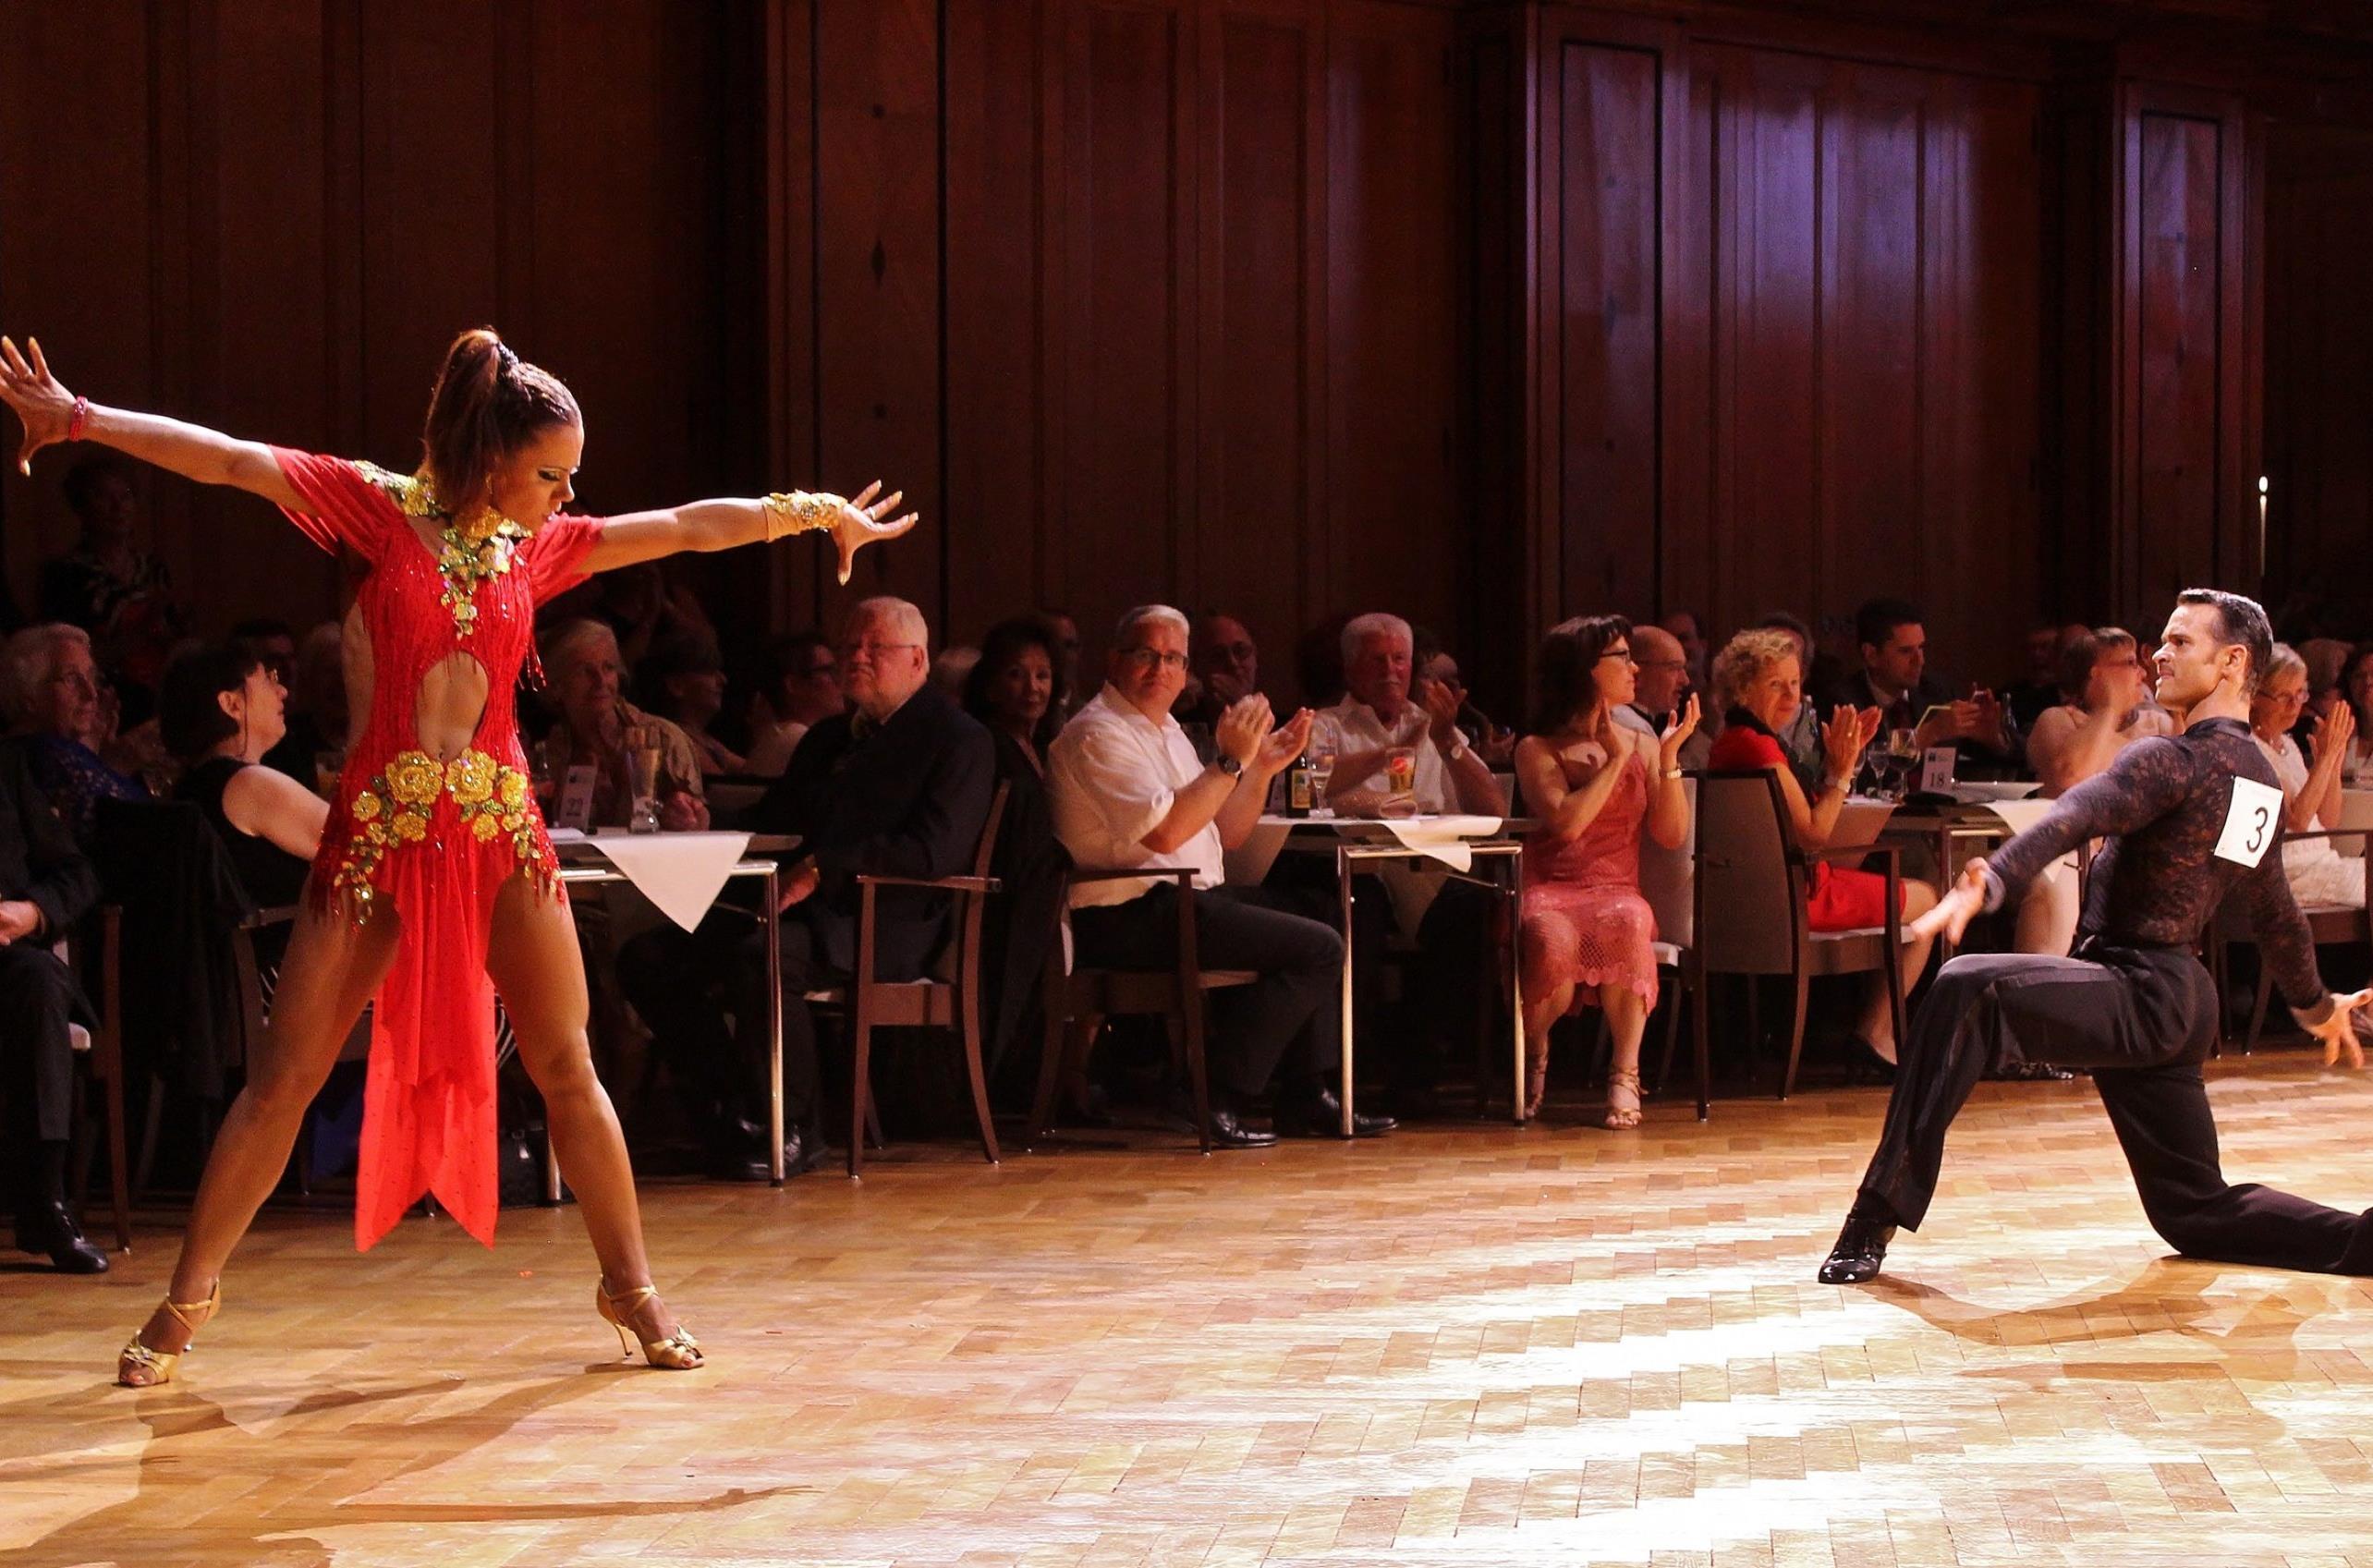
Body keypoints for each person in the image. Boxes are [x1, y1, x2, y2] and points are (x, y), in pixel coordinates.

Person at [0, 325, 915, 1382]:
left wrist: (811, 510)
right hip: (379, 841)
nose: (566, 496)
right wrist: (79, 417)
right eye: (550, 474)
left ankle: (631, 1285)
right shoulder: (376, 507)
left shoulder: (540, 547)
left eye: (570, 478)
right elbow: (230, 460)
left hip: (498, 838)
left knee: (567, 1061)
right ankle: (186, 1296)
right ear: (492, 457)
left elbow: (679, 528)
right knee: (285, 1075)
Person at [1820, 590, 2373, 1287]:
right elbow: (2274, 912)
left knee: (1966, 984)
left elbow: (2075, 815)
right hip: (2178, 1003)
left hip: (2140, 991)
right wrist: (2316, 1004)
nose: (2159, 655)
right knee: (2193, 1209)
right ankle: (2361, 1241)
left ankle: (1873, 1215)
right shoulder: (2255, 775)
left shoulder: (2171, 761)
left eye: (2180, 642)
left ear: (2233, 662)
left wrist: (1991, 877)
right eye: (2161, 640)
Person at [618, 598, 992, 1180]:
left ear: (918, 659)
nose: (856, 658)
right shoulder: (827, 738)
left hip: (884, 917)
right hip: (796, 908)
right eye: (849, 647)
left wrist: (824, 868)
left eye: (874, 648)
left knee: (762, 957)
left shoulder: (957, 739)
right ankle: (731, 1113)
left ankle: (793, 1126)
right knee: (648, 957)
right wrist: (705, 819)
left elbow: (933, 851)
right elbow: (776, 818)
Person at [1049, 605, 1391, 1145]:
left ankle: (1305, 1094)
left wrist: (1260, 767)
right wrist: (1229, 762)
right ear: (1114, 661)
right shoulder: (1098, 733)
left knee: (1327, 913)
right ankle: (1210, 1093)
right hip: (1124, 913)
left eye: (1173, 659)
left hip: (1184, 899)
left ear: (1185, 671)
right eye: (1146, 655)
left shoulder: (1167, 731)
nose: (1160, 669)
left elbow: (1227, 831)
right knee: (1317, 948)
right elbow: (1164, 835)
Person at [1706, 628, 1938, 1072]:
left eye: (1795, 682)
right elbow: (1813, 834)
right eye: (1776, 684)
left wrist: (1838, 763)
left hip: (1764, 892)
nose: (1791, 695)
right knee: (1928, 899)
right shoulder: (1758, 747)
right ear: (1743, 689)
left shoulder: (1731, 741)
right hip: (1798, 897)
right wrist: (1842, 771)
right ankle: (1876, 1034)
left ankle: (1871, 1033)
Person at [1315, 613, 1504, 1110]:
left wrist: (1447, 740)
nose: (1390, 671)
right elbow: (1314, 788)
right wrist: (1385, 764)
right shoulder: (1324, 725)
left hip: (1426, 868)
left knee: (1474, 913)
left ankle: (1417, 1068)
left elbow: (1494, 810)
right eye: (1377, 660)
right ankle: (1342, 1075)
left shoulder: (1433, 727)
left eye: (1399, 659)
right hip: (1353, 870)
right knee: (1358, 916)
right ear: (1350, 668)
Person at [1514, 618, 1698, 1125]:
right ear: (1584, 670)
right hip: (1552, 887)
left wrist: (1668, 758)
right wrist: (1616, 759)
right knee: (1550, 935)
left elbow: (1671, 834)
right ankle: (1534, 1052)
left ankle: (1625, 1072)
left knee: (1628, 920)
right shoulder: (1537, 748)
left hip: (1616, 888)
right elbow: (1566, 824)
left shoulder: (1643, 744)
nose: (1634, 668)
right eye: (1622, 657)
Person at [0, 737, 103, 1273]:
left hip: (6, 957)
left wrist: (32, 913)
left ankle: (45, 1202)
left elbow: (78, 874)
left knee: (40, 981)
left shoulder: (6, 766)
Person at [959, 615, 1074, 1089]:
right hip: (1001, 901)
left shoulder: (1047, 748)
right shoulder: (985, 746)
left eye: (1042, 675)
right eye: (1016, 674)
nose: (1033, 688)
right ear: (990, 686)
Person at [2016, 626, 2174, 957]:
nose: (2141, 673)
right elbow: (2072, 777)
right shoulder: (2058, 720)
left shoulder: (2155, 726)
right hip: (2070, 857)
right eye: (2129, 663)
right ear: (2096, 674)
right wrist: (2108, 708)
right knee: (2053, 884)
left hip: (2136, 857)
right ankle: (2035, 983)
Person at [159, 642, 326, 917]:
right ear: (232, 704)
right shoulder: (249, 784)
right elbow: (363, 842)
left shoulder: (191, 783)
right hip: (278, 941)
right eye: (268, 679)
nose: (282, 691)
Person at [39, 453, 187, 705]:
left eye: (125, 496)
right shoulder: (65, 574)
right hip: (97, 702)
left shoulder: (153, 569)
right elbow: (63, 659)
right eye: (103, 497)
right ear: (81, 506)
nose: (117, 507)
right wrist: (140, 633)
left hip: (162, 700)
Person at [540, 618, 708, 832]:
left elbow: (701, 821)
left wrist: (685, 816)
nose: (601, 681)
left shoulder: (663, 738)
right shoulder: (548, 754)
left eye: (608, 668)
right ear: (556, 687)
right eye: (585, 671)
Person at [1824, 597, 2021, 777]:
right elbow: (1854, 776)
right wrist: (1929, 734)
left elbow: (2017, 759)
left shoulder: (1937, 692)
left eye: (1921, 648)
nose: (1919, 660)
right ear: (1871, 655)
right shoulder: (1843, 702)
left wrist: (1992, 738)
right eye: (1905, 651)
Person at [4, 622, 150, 844]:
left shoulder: (30, 751)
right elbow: (148, 825)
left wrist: (95, 757)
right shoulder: (46, 751)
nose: (91, 693)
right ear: (29, 697)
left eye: (92, 678)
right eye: (71, 679)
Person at [2249, 643, 2364, 910]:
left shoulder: (2288, 746)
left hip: (2322, 861)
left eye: (2300, 693)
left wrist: (2333, 758)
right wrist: (2325, 758)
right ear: (2254, 695)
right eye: (2283, 696)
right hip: (2290, 869)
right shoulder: (2250, 748)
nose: (2294, 705)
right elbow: (2298, 820)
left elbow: (2327, 820)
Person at [262, 620, 352, 789]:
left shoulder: (377, 739)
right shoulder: (283, 742)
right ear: (309, 677)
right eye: (330, 671)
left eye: (347, 670)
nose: (341, 681)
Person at [738, 630, 841, 777]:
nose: (841, 680)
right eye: (829, 671)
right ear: (794, 685)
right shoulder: (799, 739)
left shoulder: (777, 737)